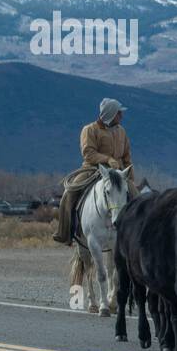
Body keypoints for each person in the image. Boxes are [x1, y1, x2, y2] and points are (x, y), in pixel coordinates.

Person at [53, 98, 135, 245]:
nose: (121, 116)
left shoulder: (121, 131)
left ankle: (137, 235)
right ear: (110, 114)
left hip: (117, 173)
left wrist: (130, 177)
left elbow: (127, 155)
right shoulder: (89, 130)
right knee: (69, 193)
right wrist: (108, 159)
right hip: (92, 169)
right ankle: (65, 233)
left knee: (137, 198)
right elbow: (88, 153)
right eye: (119, 113)